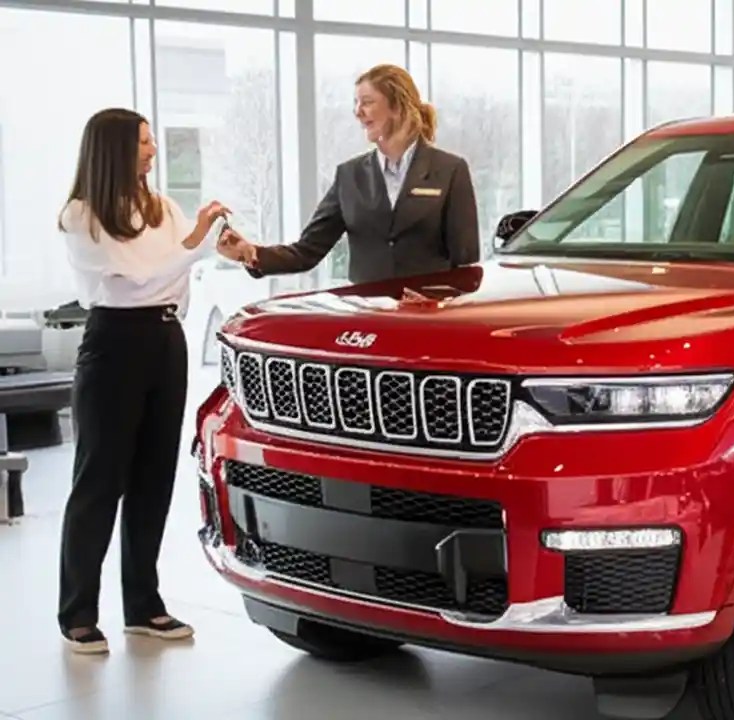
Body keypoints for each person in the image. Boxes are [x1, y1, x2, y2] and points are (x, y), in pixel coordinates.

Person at [56, 107, 230, 654]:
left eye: (152, 142)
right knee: (99, 481)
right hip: (114, 343)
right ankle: (78, 613)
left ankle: (143, 606)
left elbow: (178, 262)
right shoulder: (80, 215)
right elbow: (136, 279)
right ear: (113, 152)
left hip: (164, 341)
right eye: (144, 144)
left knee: (154, 477)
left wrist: (215, 239)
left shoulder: (162, 206)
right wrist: (199, 245)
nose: (154, 152)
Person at [218, 63, 481, 283]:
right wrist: (251, 253)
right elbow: (307, 251)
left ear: (397, 107)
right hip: (368, 322)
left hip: (428, 323)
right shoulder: (349, 176)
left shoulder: (450, 170)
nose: (358, 112)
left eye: (367, 102)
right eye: (356, 103)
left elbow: (466, 263)